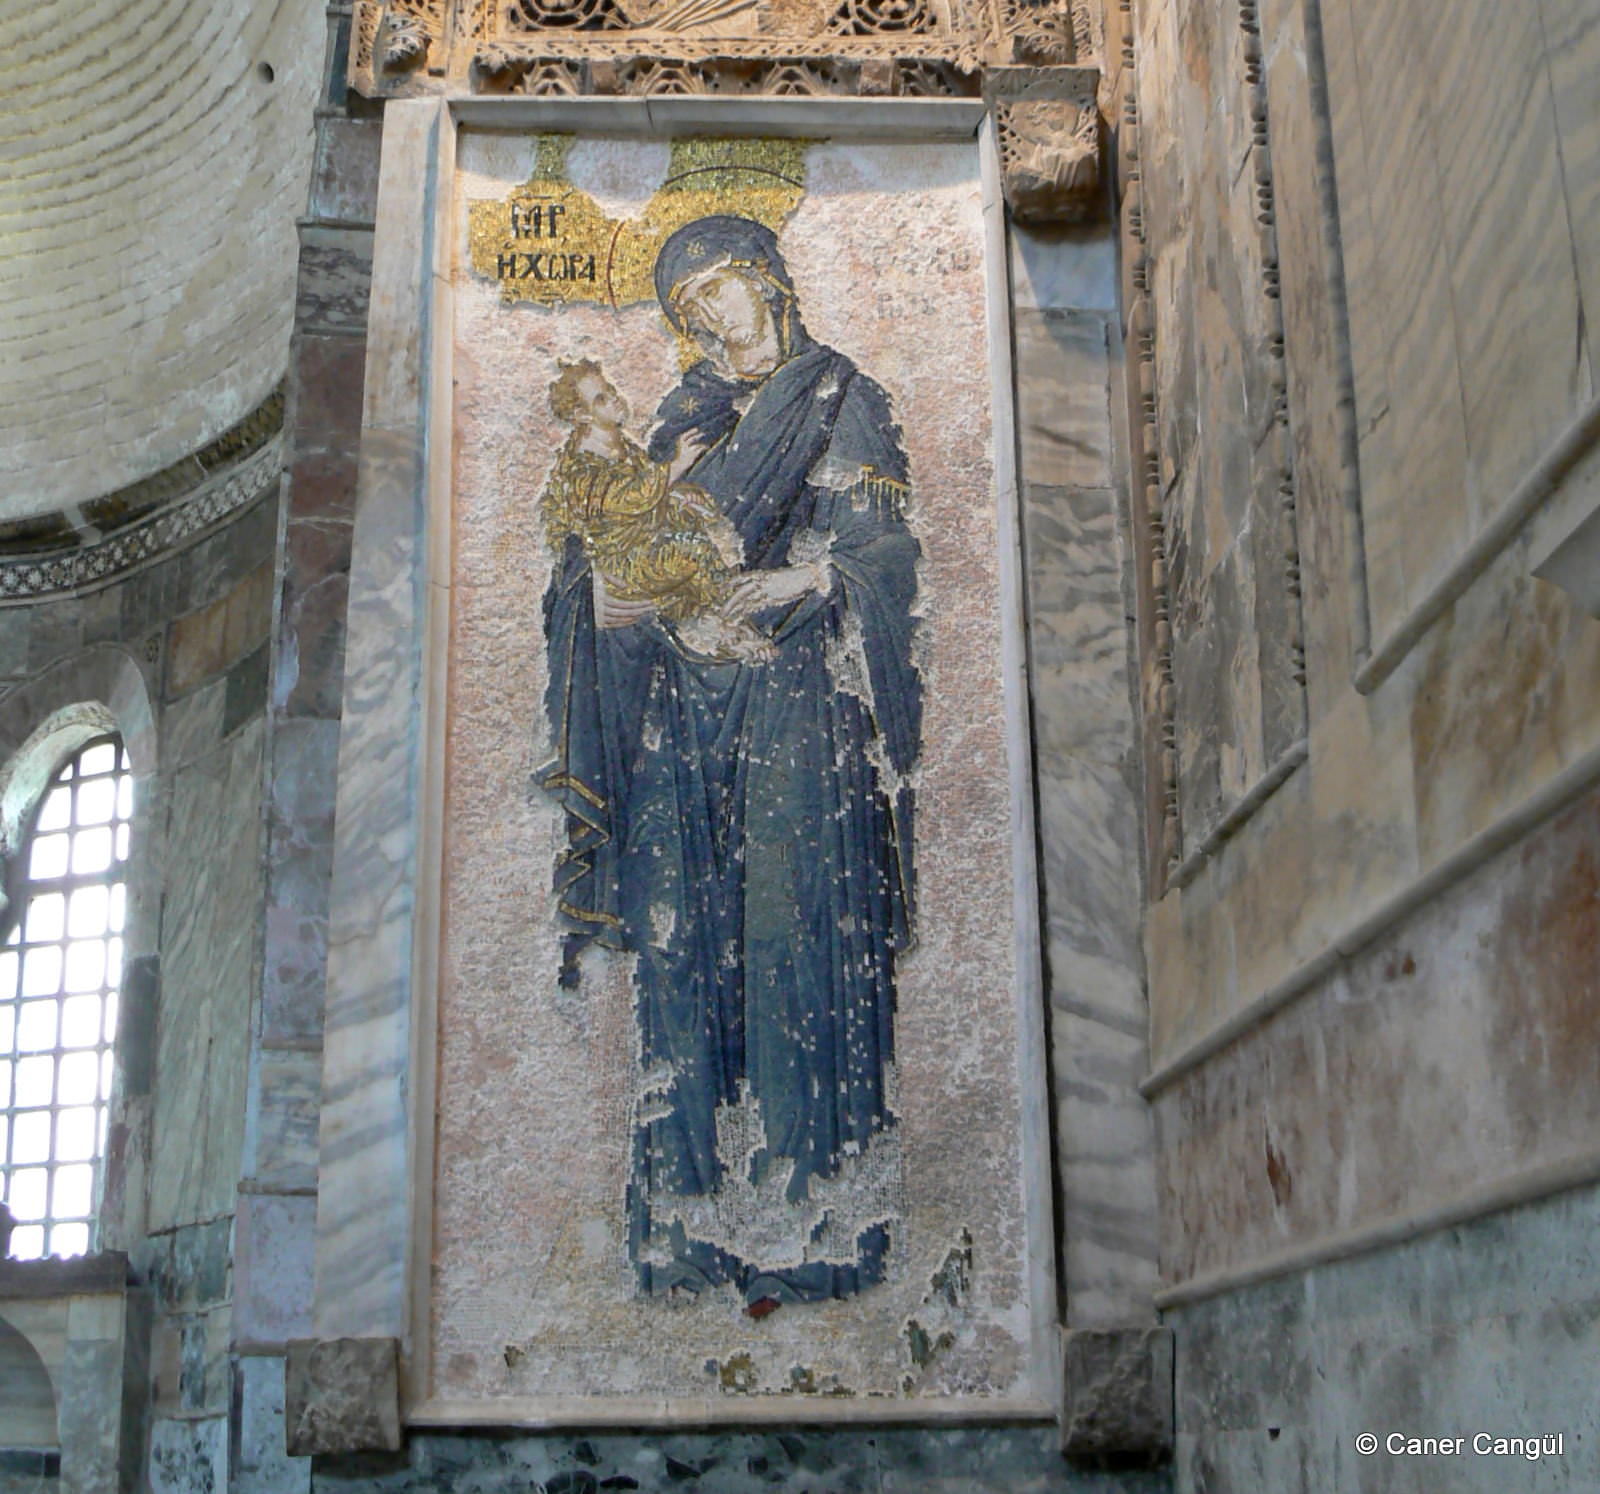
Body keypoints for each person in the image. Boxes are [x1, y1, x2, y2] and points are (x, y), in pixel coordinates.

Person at [539, 214, 923, 1313]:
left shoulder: (836, 396)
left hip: (796, 713)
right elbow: (598, 565)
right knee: (681, 952)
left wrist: (793, 585)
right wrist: (593, 593)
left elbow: (879, 555)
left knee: (792, 939)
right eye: (689, 316)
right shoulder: (678, 428)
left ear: (770, 285)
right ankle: (684, 1221)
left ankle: (814, 1215)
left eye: (723, 297)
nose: (712, 327)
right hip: (675, 722)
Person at [539, 358, 774, 663]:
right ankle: (735, 622)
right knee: (695, 551)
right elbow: (626, 500)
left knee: (704, 521)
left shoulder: (616, 442)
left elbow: (648, 490)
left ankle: (725, 616)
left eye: (610, 389)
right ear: (581, 414)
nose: (614, 398)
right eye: (601, 399)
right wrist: (676, 466)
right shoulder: (583, 462)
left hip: (646, 540)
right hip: (623, 561)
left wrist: (681, 495)